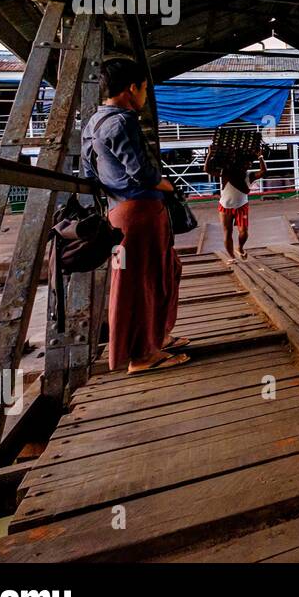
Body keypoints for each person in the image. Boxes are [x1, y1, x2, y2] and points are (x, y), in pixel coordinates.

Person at [81, 58, 189, 374]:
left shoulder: (94, 122)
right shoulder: (123, 121)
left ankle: (157, 339)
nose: (144, 95)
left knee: (147, 276)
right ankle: (142, 354)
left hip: (119, 215)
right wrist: (167, 185)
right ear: (132, 89)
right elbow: (141, 173)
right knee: (146, 281)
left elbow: (89, 172)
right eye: (144, 88)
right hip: (140, 214)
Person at [205, 143, 265, 261]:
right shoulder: (225, 173)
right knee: (227, 232)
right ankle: (231, 257)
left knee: (244, 232)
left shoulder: (249, 175)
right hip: (225, 207)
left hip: (241, 206)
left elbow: (263, 171)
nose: (248, 165)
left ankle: (240, 247)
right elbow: (207, 169)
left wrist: (260, 157)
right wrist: (209, 154)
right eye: (247, 164)